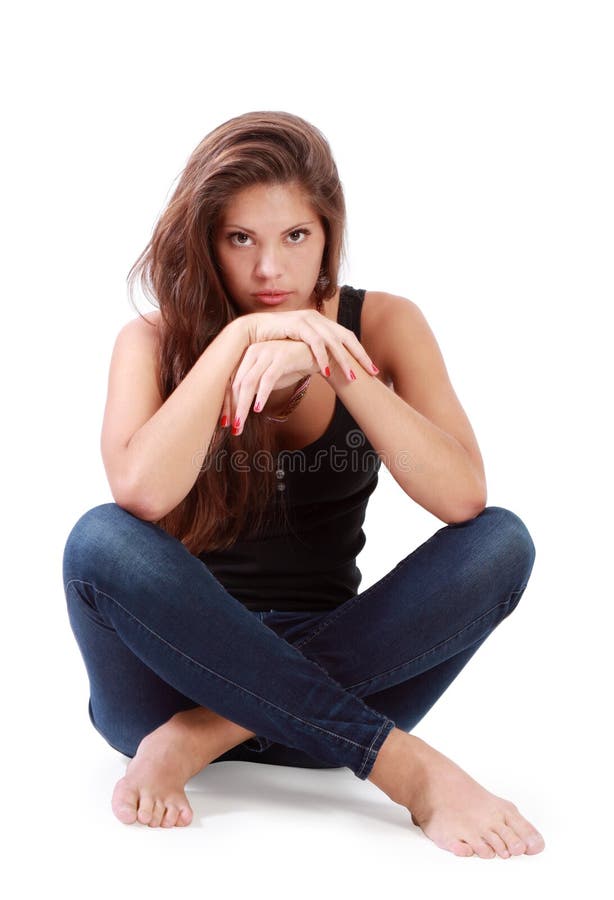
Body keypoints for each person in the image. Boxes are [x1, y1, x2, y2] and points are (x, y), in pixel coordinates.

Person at [62, 110, 545, 859]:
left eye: (295, 237)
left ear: (327, 236)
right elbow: (142, 496)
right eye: (240, 239)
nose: (269, 271)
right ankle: (403, 768)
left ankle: (207, 734)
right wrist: (237, 340)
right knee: (98, 540)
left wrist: (336, 363)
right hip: (167, 683)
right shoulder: (152, 341)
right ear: (207, 242)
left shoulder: (383, 324)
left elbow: (461, 499)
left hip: (339, 675)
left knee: (502, 543)